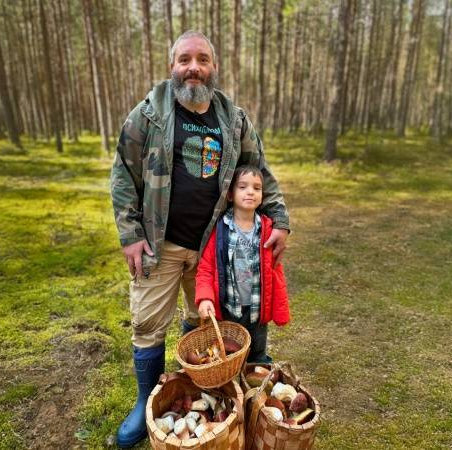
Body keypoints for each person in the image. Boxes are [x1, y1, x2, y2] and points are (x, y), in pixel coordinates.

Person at [110, 30, 289, 448]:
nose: (194, 67)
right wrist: (130, 233)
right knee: (148, 323)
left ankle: (200, 390)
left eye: (202, 59)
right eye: (185, 59)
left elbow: (259, 171)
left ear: (214, 67)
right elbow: (122, 174)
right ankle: (144, 402)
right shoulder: (148, 115)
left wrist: (278, 218)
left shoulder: (234, 120)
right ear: (172, 66)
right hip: (159, 243)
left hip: (214, 246)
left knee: (205, 322)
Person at [195, 165, 290, 364]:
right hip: (228, 309)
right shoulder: (220, 229)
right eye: (243, 187)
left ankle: (257, 379)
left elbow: (276, 273)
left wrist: (279, 309)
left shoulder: (267, 229)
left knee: (257, 357)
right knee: (229, 356)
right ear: (230, 194)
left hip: (257, 310)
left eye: (257, 188)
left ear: (262, 196)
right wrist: (205, 298)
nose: (250, 192)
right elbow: (206, 269)